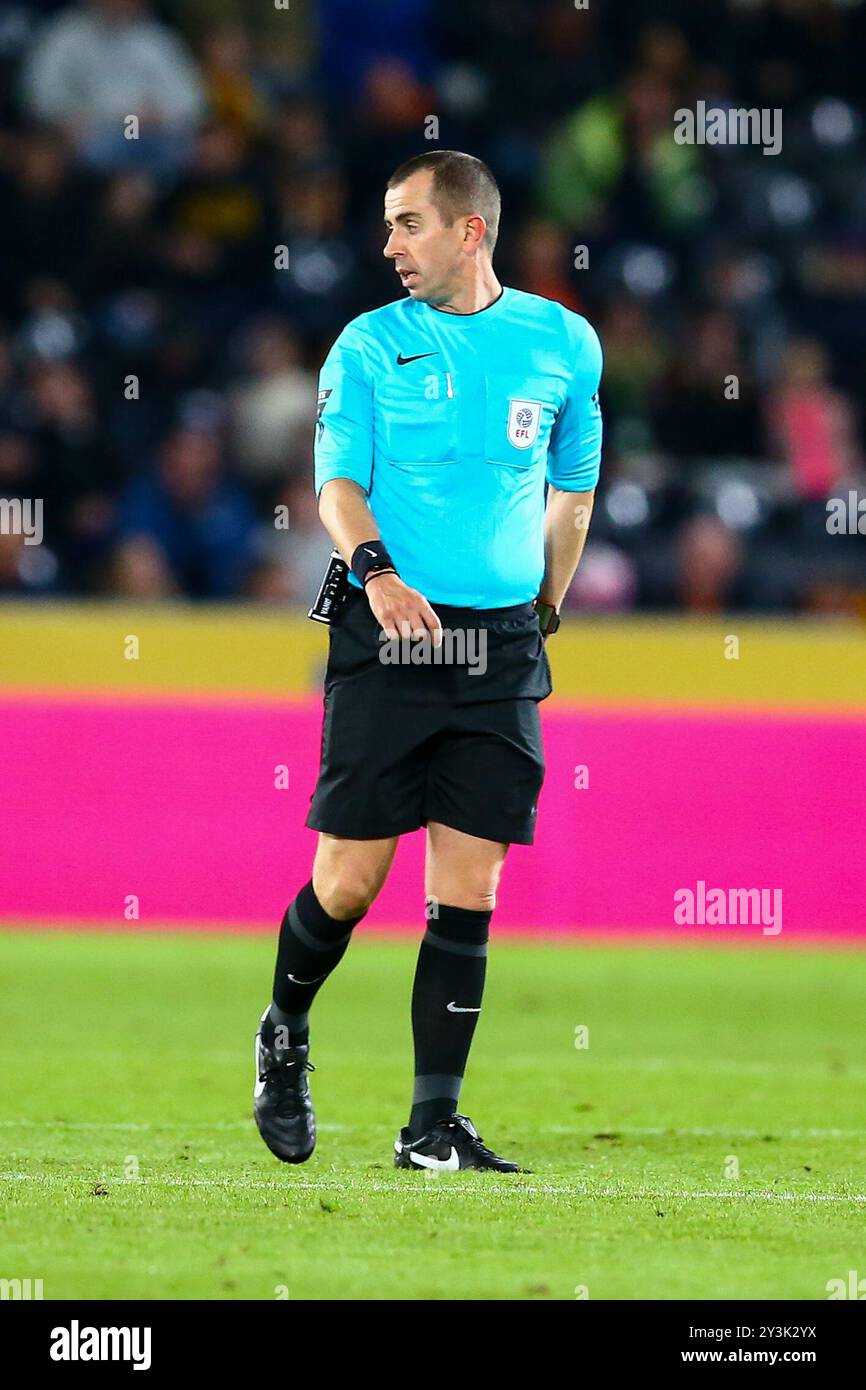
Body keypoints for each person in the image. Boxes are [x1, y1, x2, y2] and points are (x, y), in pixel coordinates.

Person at [254, 150, 603, 1172]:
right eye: (387, 224)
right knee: (350, 879)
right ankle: (282, 1032)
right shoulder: (366, 346)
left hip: (496, 645)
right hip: (387, 630)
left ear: (468, 230)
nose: (388, 244)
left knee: (469, 887)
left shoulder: (560, 342)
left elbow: (572, 488)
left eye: (406, 222)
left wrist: (546, 603)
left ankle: (430, 1126)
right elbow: (334, 485)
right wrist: (375, 575)